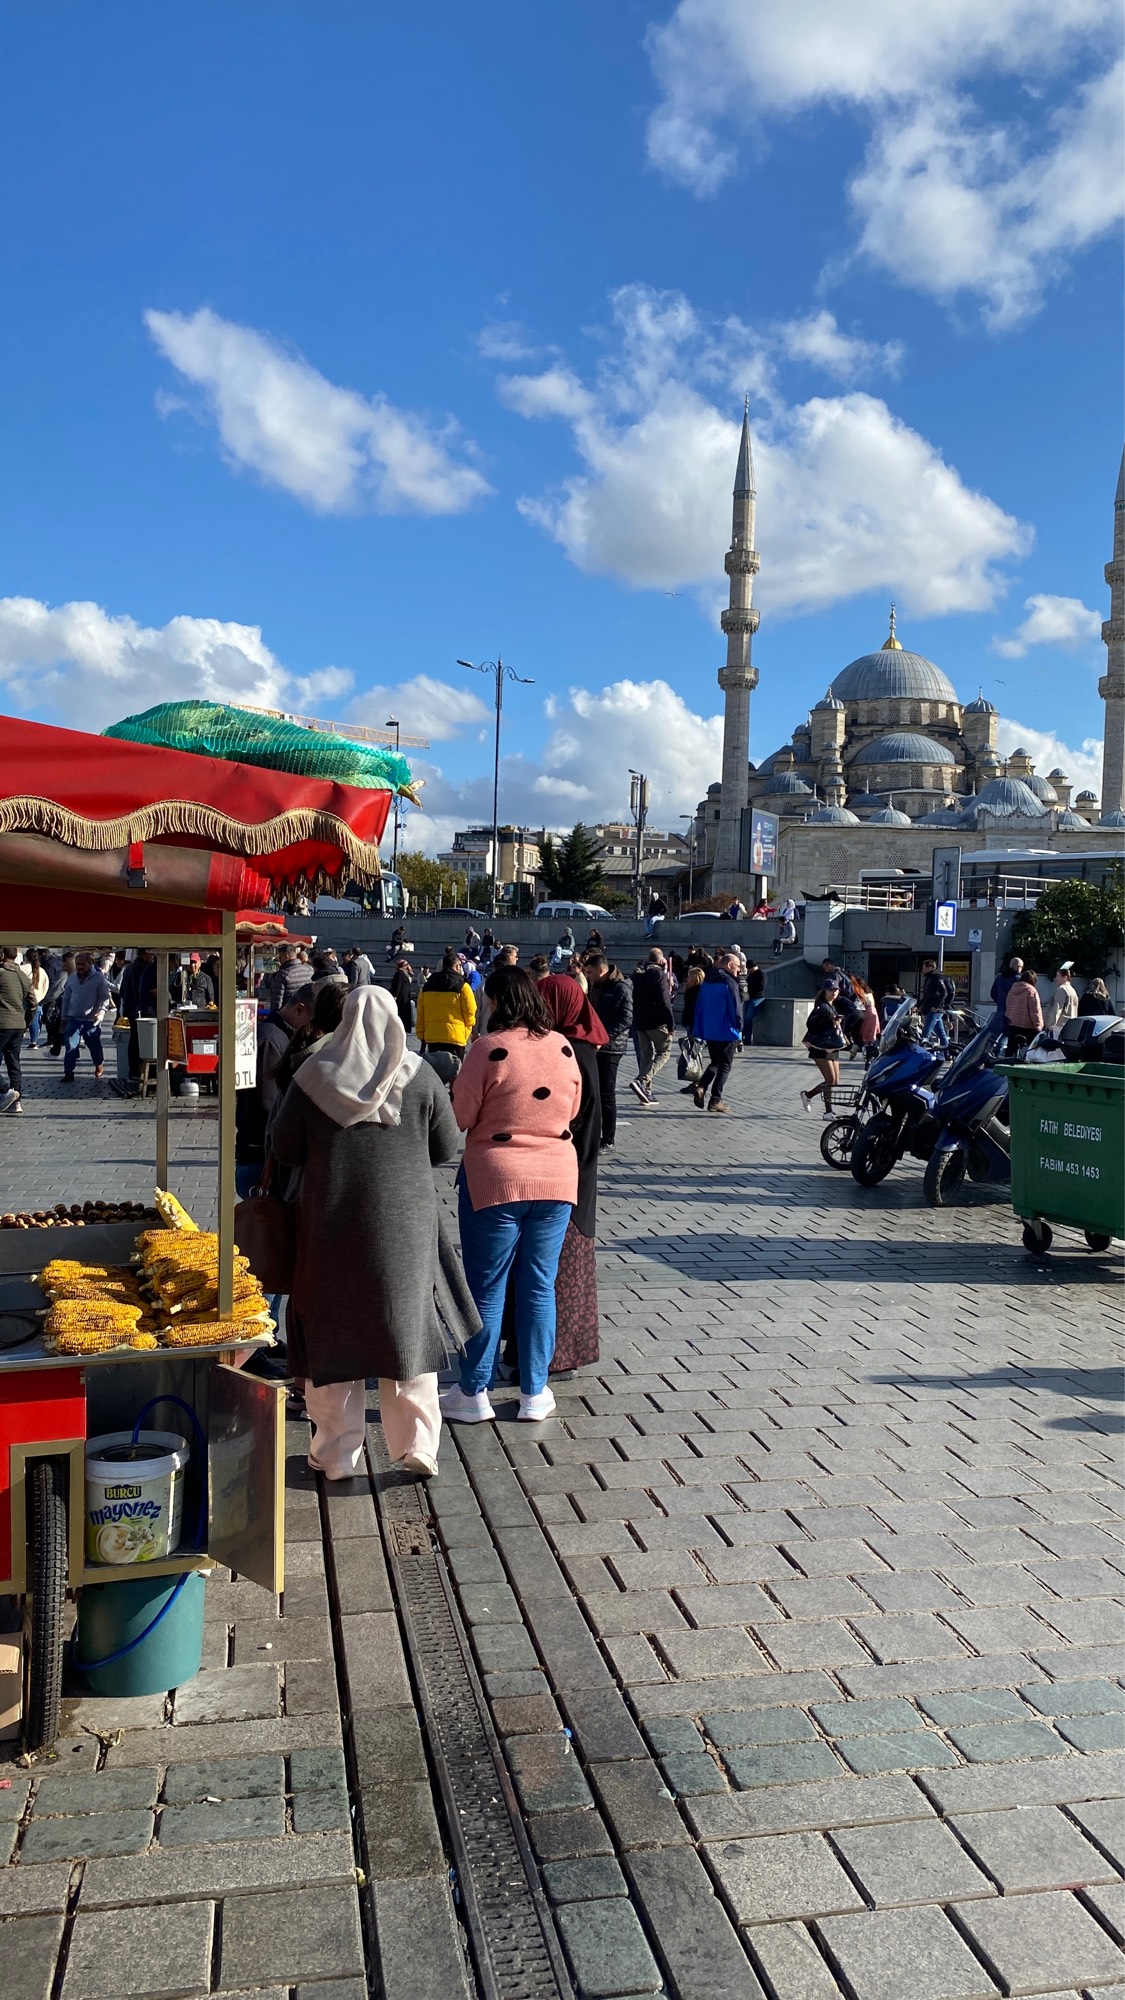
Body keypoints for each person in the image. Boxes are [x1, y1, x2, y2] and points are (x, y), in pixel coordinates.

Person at [270, 986, 479, 1480]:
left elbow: (284, 1148)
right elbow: (447, 1145)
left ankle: (336, 1454)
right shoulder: (420, 1074)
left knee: (332, 1334)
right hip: (405, 1225)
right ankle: (418, 1447)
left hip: (330, 1222)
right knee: (406, 1332)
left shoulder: (314, 1075)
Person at [442, 966, 582, 1425]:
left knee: (486, 1286)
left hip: (497, 1177)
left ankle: (473, 1391)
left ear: (498, 1001)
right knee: (539, 1286)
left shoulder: (487, 1049)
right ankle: (534, 1393)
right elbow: (574, 1108)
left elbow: (460, 1116)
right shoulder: (562, 1047)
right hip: (557, 1176)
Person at [534, 975, 606, 1370]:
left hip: (570, 1174)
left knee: (561, 1266)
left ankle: (557, 1354)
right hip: (574, 1170)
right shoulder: (577, 1048)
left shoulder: (572, 1051)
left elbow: (581, 1120)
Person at [586, 956, 632, 1150]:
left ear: (601, 970)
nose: (587, 976)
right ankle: (593, 1134)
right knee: (593, 1091)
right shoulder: (597, 987)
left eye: (590, 972)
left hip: (611, 1048)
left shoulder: (620, 988)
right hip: (594, 1045)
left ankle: (609, 1138)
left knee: (606, 1093)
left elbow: (626, 1018)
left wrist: (604, 1037)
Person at [689, 952, 742, 1113]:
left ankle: (702, 1086)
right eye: (738, 967)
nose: (739, 971)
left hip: (710, 1030)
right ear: (730, 965)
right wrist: (739, 1027)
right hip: (727, 1030)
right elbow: (735, 1008)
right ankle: (715, 1100)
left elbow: (699, 1007)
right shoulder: (729, 983)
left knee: (715, 1062)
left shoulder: (707, 982)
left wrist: (699, 1028)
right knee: (725, 1066)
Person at [629, 948, 675, 1106]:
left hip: (639, 1021)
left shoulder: (638, 974)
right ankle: (642, 1080)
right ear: (661, 960)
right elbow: (664, 1000)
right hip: (656, 1021)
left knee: (646, 1055)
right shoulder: (658, 975)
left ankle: (646, 1092)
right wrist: (671, 1024)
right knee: (664, 1052)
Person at [60, 951, 111, 1083]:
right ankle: (69, 1072)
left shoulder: (99, 978)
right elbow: (66, 999)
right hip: (74, 1018)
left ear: (91, 963)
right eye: (78, 964)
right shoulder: (72, 978)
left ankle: (99, 1063)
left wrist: (101, 1012)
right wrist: (64, 1017)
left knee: (93, 1045)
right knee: (70, 1045)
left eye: (83, 964)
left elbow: (105, 998)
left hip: (91, 1020)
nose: (80, 967)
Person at [416, 950, 476, 1059]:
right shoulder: (463, 986)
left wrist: (421, 1035)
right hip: (455, 1036)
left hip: (433, 1036)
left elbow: (420, 1012)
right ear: (458, 967)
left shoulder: (427, 986)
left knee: (436, 1073)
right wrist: (467, 1030)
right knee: (455, 1073)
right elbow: (470, 1011)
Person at [801, 978, 846, 1115]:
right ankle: (828, 1111)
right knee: (830, 1080)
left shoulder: (831, 1006)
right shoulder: (822, 1007)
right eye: (830, 990)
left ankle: (808, 1095)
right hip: (820, 1046)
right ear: (824, 991)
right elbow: (811, 1024)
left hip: (832, 1045)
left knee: (834, 1081)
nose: (834, 993)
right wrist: (829, 1019)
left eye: (836, 990)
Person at [0, 948, 31, 1113]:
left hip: (2, 1024)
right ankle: (16, 1102)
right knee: (14, 1064)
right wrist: (26, 1022)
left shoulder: (1, 973)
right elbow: (33, 1002)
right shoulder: (24, 976)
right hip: (18, 1025)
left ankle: (5, 1091)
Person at [1005, 967, 1044, 1052]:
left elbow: (1008, 1004)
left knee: (1011, 1048)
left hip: (1013, 1023)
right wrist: (1038, 1025)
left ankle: (1007, 1063)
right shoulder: (1031, 991)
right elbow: (1035, 1010)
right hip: (1027, 1025)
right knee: (1033, 1050)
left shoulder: (1012, 989)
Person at [918, 958, 954, 1048]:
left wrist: (937, 1006)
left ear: (930, 967)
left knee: (926, 1032)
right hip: (934, 1009)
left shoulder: (936, 978)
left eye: (924, 967)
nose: (922, 970)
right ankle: (947, 1053)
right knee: (941, 1034)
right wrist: (918, 1005)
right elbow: (927, 995)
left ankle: (923, 1052)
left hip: (935, 1010)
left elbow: (944, 993)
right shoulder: (930, 978)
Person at [270, 945, 314, 1013]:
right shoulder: (310, 970)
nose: (279, 960)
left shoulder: (283, 974)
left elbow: (277, 1001)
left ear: (286, 957)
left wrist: (273, 1017)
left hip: (289, 1015)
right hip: (307, 1013)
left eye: (280, 957)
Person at [23, 950, 48, 1049]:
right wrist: (41, 996)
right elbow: (46, 985)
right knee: (35, 1020)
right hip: (38, 999)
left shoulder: (22, 969)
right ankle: (34, 1041)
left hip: (24, 999)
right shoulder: (42, 970)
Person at [1047, 963, 1078, 1029]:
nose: (1056, 978)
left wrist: (1051, 1025)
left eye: (1058, 976)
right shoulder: (1073, 990)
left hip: (1061, 1025)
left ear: (1065, 977)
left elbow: (1058, 1008)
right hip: (1071, 1024)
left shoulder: (1061, 989)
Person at [742, 961, 766, 1045]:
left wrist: (751, 988)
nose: (749, 971)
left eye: (750, 969)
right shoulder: (751, 975)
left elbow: (762, 987)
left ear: (754, 967)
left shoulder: (761, 974)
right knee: (746, 1018)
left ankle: (745, 1035)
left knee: (748, 1018)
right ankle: (746, 1038)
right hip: (749, 998)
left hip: (757, 998)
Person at [389, 958, 415, 1034]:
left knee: (400, 1012)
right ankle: (407, 1027)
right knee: (405, 1013)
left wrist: (395, 996)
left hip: (400, 997)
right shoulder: (405, 974)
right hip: (406, 996)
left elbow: (398, 986)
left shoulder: (399, 974)